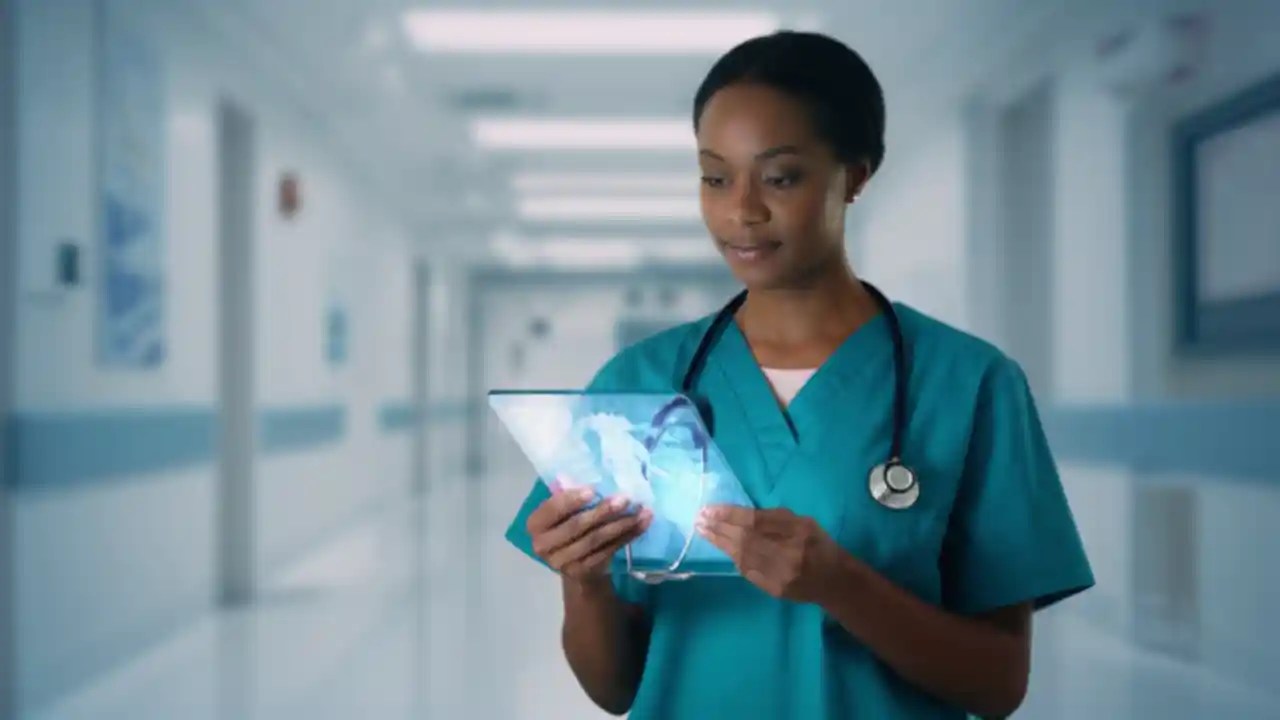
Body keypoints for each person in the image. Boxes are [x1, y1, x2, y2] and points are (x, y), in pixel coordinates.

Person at [503, 30, 1094, 719]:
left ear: (858, 173)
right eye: (715, 177)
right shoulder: (638, 384)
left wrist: (844, 586)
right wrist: (586, 582)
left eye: (780, 177)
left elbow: (998, 686)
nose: (741, 212)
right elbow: (615, 692)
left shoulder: (971, 385)